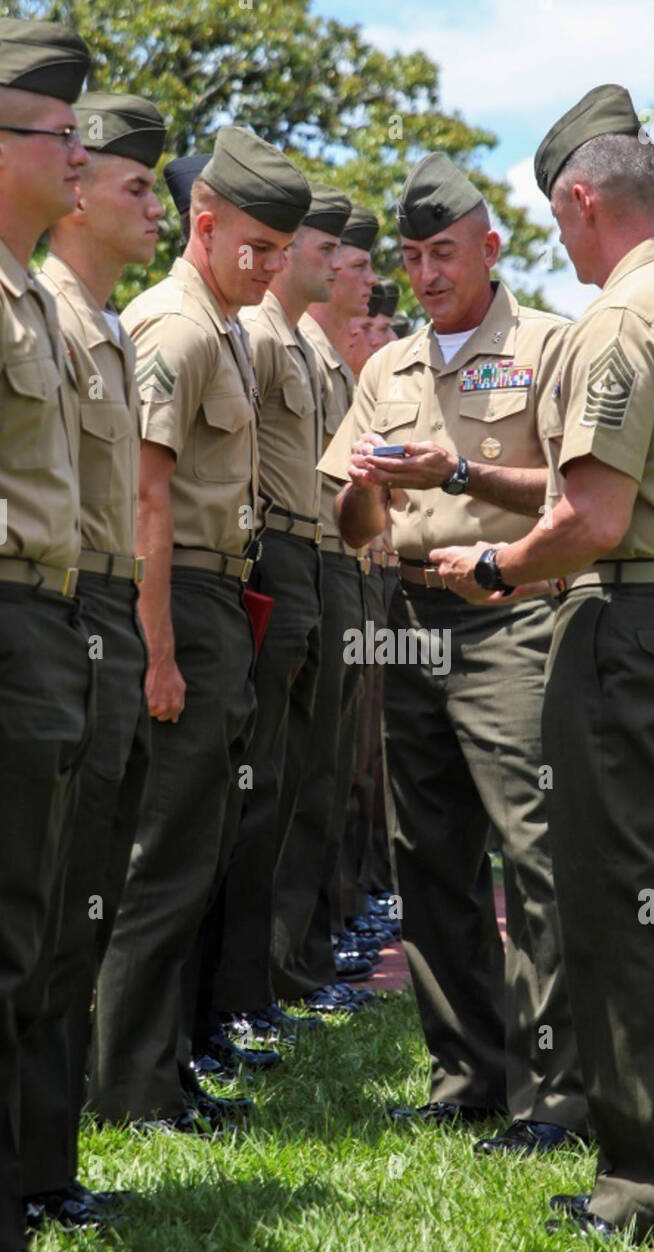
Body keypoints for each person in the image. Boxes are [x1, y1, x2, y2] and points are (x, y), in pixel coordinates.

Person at [431, 85, 654, 1241]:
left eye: (558, 224)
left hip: (623, 627)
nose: (560, 247)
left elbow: (595, 517)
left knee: (624, 913)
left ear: (581, 199)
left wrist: (498, 568)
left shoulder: (620, 319)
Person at [320, 152, 587, 1153]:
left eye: (444, 253)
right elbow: (354, 527)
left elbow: (574, 490)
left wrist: (460, 466)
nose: (427, 275)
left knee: (535, 853)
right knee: (426, 854)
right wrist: (363, 485)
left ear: (490, 247)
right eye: (412, 258)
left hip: (511, 611)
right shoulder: (385, 366)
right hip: (404, 610)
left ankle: (557, 1092)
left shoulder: (549, 346)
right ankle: (466, 1074)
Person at [87, 126, 310, 1131]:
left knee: (199, 848)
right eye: (252, 246)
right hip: (179, 602)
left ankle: (161, 1067)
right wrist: (161, 652)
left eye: (279, 249)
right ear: (203, 225)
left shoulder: (220, 324)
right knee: (164, 858)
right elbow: (145, 499)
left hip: (221, 598)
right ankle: (129, 1090)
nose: (267, 267)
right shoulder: (175, 329)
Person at [20, 93, 166, 1233]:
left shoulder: (71, 315)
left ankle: (38, 1169)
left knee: (69, 910)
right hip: (53, 612)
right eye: (132, 181)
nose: (147, 203)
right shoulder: (46, 310)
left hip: (81, 612)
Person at [207, 180, 364, 1038]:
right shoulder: (262, 338)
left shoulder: (292, 344)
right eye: (323, 246)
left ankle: (280, 971)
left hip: (313, 558)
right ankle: (247, 985)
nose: (335, 263)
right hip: (273, 553)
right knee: (259, 784)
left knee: (302, 778)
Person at [0, 15, 95, 1252]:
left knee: (23, 931)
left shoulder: (25, 289)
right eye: (59, 133)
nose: (77, 152)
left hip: (41, 625)